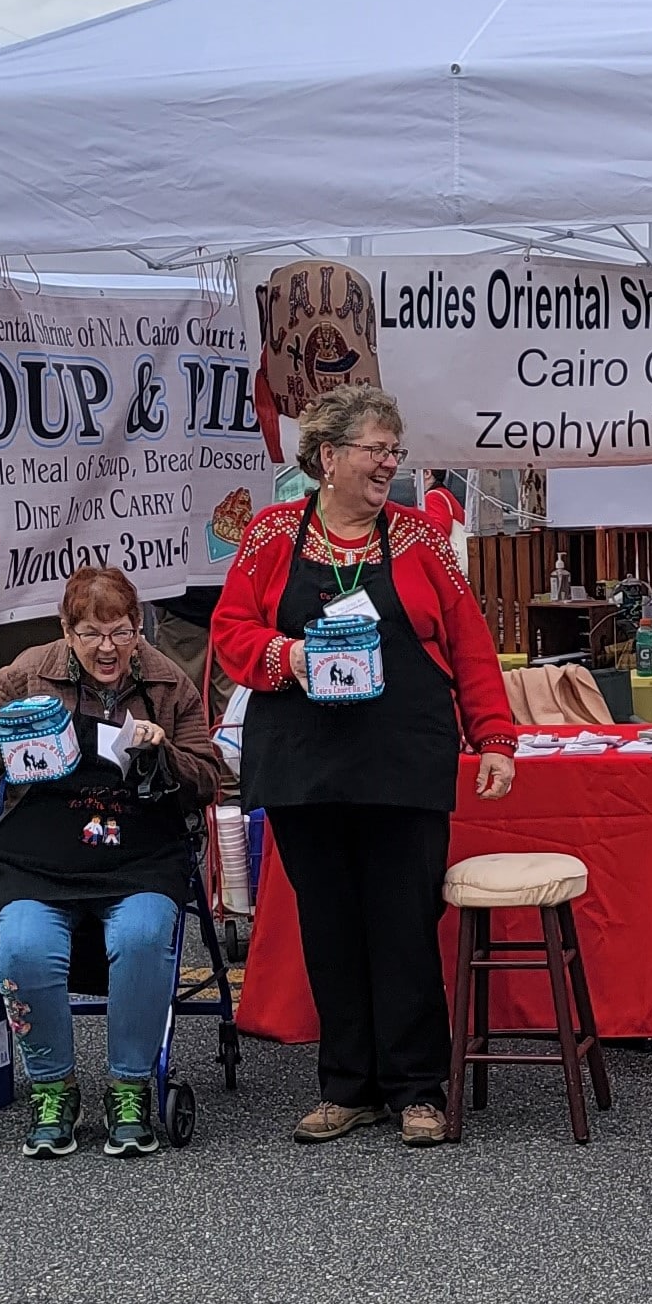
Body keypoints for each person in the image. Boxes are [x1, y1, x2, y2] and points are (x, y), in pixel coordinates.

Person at [212, 383, 518, 1148]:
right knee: (331, 924)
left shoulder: (420, 541)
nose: (389, 464)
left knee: (405, 921)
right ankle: (347, 1086)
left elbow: (472, 645)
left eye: (393, 450)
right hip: (305, 761)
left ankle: (418, 1087)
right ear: (327, 457)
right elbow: (230, 632)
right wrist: (288, 655)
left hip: (401, 756)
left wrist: (495, 738)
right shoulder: (271, 535)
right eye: (376, 450)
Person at [0, 568, 222, 1159]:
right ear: (66, 629)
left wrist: (167, 754)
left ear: (140, 628)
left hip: (139, 849)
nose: (108, 647)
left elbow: (211, 776)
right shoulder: (28, 672)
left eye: (122, 631)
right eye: (91, 633)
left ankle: (129, 1087)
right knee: (22, 948)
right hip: (44, 850)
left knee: (142, 934)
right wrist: (4, 748)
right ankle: (53, 1088)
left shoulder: (167, 682)